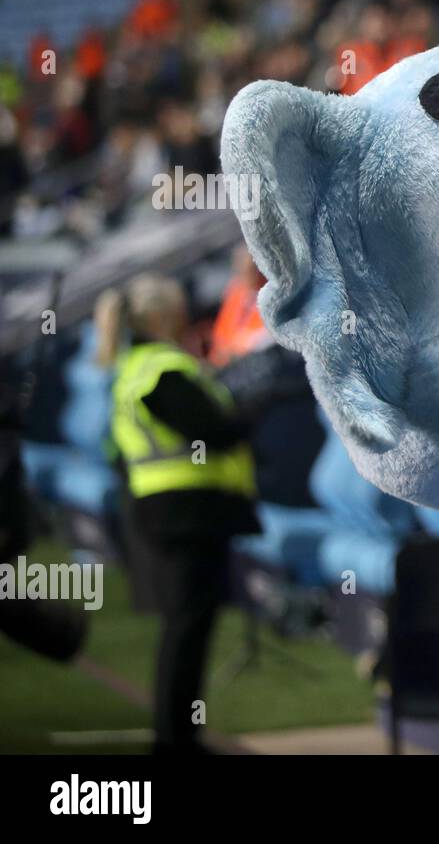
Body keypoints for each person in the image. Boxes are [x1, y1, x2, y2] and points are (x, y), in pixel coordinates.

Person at [95, 273, 259, 754]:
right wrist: (254, 410)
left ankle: (176, 736)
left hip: (169, 508)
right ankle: (174, 740)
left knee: (184, 626)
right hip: (185, 512)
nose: (188, 315)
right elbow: (212, 429)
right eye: (180, 307)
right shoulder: (162, 368)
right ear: (161, 316)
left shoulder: (137, 365)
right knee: (186, 628)